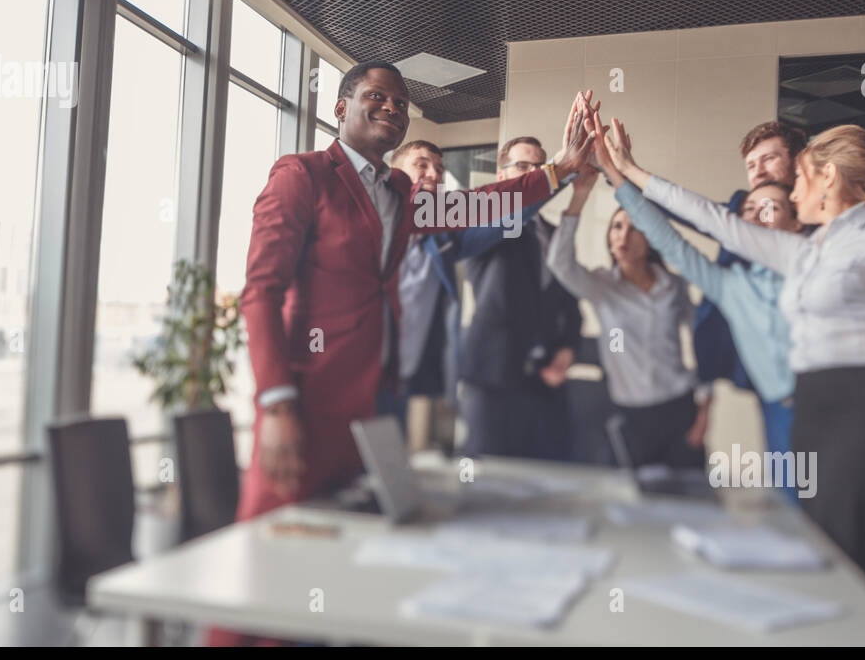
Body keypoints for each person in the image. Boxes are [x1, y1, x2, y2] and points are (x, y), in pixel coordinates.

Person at [591, 111, 865, 609]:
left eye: (797, 179)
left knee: (864, 565)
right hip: (811, 412)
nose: (787, 190)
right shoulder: (807, 254)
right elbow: (707, 221)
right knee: (816, 551)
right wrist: (627, 172)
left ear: (827, 178)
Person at [236, 67, 595, 523]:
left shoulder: (400, 192)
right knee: (277, 538)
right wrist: (276, 403)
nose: (392, 107)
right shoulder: (300, 175)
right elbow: (261, 292)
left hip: (371, 407)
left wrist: (560, 169)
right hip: (308, 402)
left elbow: (481, 205)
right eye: (378, 95)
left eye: (402, 103)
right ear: (341, 108)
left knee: (354, 547)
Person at [607, 170, 804, 499]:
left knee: (842, 517)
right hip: (778, 410)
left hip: (832, 405)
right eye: (748, 210)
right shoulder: (731, 285)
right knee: (795, 505)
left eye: (769, 208)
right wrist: (618, 178)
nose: (754, 217)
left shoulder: (812, 265)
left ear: (797, 223)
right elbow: (671, 244)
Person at [385, 139, 569, 450]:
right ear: (394, 173)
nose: (434, 174)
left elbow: (509, 219)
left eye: (440, 169)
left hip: (401, 375)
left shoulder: (439, 238)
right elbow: (505, 214)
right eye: (422, 165)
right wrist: (563, 172)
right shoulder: (380, 219)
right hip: (364, 367)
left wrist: (566, 174)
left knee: (383, 470)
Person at [545, 162, 706, 469]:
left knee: (691, 500)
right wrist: (580, 196)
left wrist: (705, 405)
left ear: (649, 239)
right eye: (617, 227)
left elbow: (701, 339)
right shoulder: (602, 286)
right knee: (639, 505)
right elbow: (560, 263)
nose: (623, 236)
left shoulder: (673, 285)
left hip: (680, 405)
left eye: (634, 228)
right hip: (630, 412)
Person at [457, 134, 587, 462]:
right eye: (523, 167)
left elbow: (570, 301)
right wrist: (562, 172)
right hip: (492, 377)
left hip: (545, 381)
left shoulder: (555, 233)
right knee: (486, 481)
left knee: (549, 478)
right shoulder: (486, 220)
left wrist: (569, 349)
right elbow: (515, 214)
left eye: (539, 168)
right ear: (501, 176)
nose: (533, 175)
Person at [688, 122, 809, 435]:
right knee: (788, 476)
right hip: (770, 382)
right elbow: (692, 214)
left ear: (799, 162)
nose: (759, 171)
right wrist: (621, 177)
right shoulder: (742, 218)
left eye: (769, 159)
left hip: (822, 381)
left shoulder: (822, 225)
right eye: (752, 165)